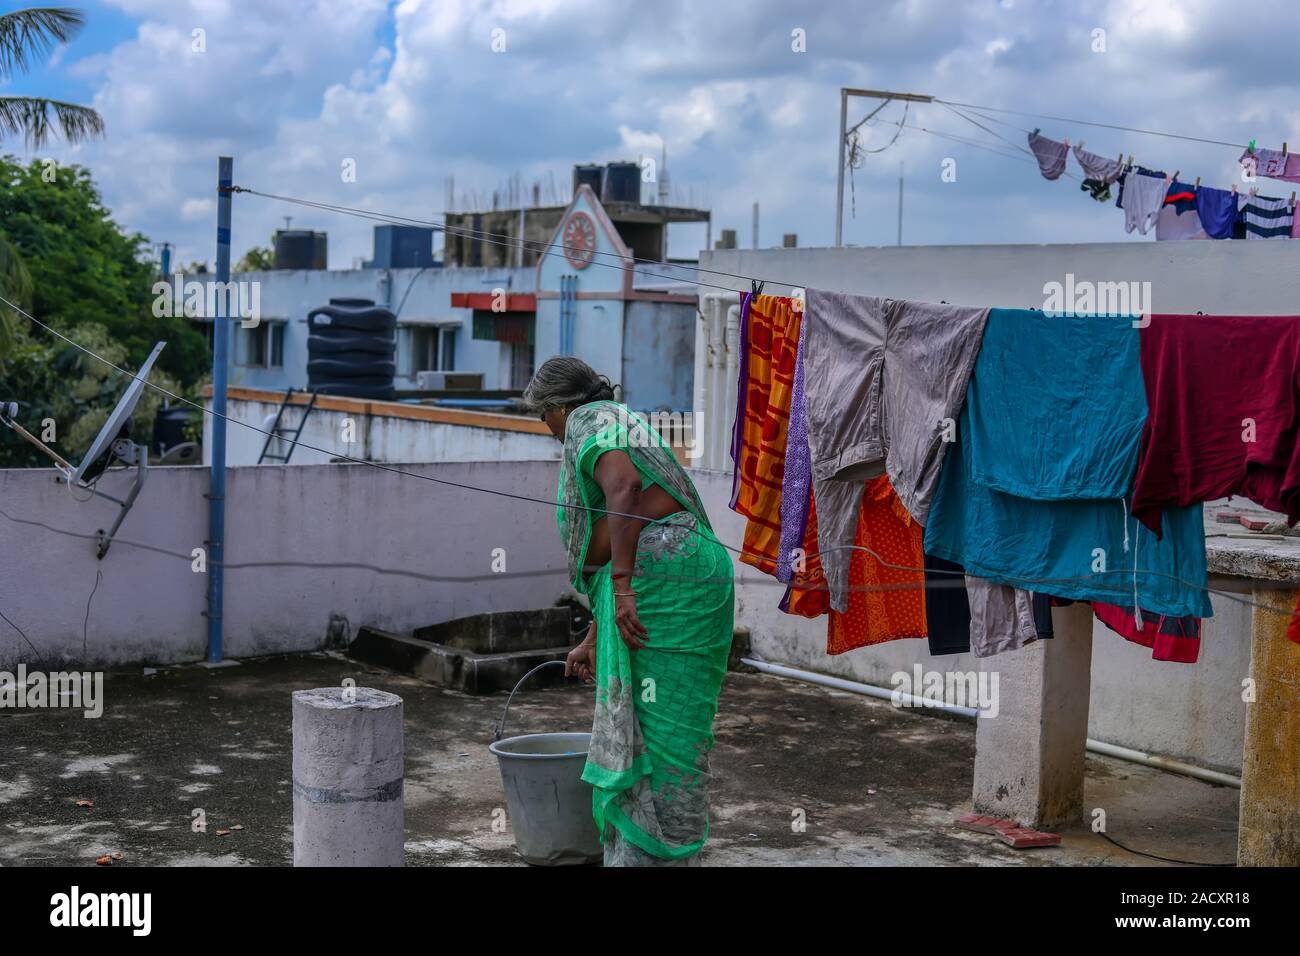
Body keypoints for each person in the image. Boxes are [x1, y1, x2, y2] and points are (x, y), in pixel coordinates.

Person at [524, 356, 734, 867]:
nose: (545, 427)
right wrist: (596, 633)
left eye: (542, 415)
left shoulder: (589, 422)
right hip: (676, 581)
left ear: (559, 405)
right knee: (657, 724)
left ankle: (657, 856)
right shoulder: (617, 419)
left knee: (664, 735)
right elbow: (621, 518)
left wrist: (621, 588)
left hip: (668, 589)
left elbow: (625, 490)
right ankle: (640, 855)